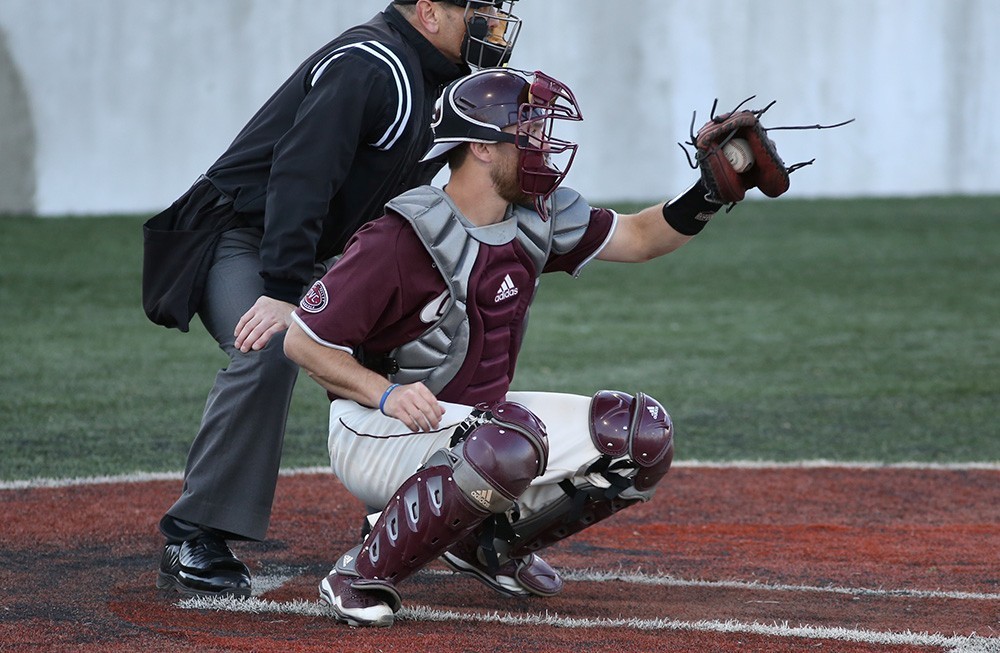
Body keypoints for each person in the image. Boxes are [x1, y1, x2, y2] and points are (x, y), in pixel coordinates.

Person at [283, 67, 736, 627]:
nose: (544, 147)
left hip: (477, 425)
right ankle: (359, 573)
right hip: (374, 428)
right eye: (528, 133)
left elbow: (642, 238)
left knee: (639, 434)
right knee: (507, 440)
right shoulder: (400, 239)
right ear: (479, 146)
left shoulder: (536, 216)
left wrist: (709, 193)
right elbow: (304, 341)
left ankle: (487, 546)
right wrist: (385, 396)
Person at [149, 1, 525, 598]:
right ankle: (194, 532)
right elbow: (299, 177)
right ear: (428, 11)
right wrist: (282, 291)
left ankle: (434, 513)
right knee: (273, 346)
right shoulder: (369, 64)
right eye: (475, 9)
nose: (490, 24)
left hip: (324, 247)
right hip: (248, 235)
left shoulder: (442, 81)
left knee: (429, 327)